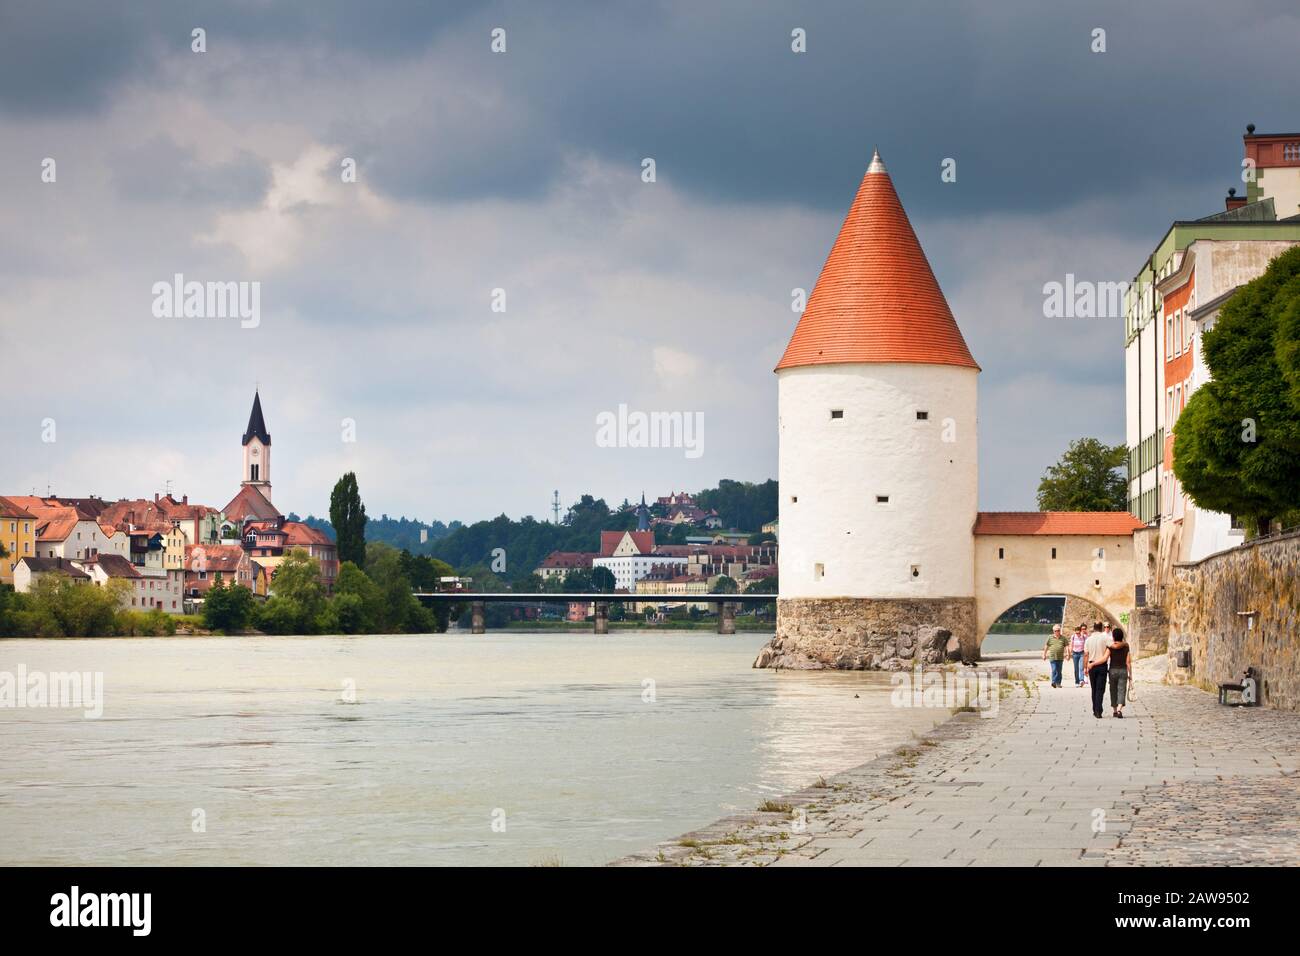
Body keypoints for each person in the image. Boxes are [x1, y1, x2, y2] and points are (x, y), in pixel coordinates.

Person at [1083, 623, 1110, 718]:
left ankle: (1095, 709)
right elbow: (1112, 647)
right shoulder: (1105, 638)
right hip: (1102, 665)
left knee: (1093, 688)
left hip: (1091, 665)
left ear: (1093, 628)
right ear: (1102, 628)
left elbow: (1086, 654)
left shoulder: (1088, 640)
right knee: (1100, 689)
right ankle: (1098, 710)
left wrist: (1085, 667)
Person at [1107, 627, 1130, 717]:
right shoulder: (1126, 647)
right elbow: (1128, 662)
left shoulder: (1111, 647)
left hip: (1112, 670)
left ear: (1113, 637)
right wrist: (1130, 674)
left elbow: (1106, 658)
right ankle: (1120, 709)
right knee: (1121, 689)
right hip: (1123, 670)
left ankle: (1115, 710)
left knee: (1113, 690)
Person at [1042, 624, 1068, 688]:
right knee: (1054, 670)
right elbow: (1046, 646)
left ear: (1060, 631)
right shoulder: (1050, 637)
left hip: (1060, 657)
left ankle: (1058, 683)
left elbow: (1067, 646)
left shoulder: (1063, 638)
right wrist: (1044, 654)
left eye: (1058, 630)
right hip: (1052, 657)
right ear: (1053, 631)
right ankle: (1053, 682)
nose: (1057, 632)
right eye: (1056, 631)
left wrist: (1068, 654)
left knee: (1059, 671)